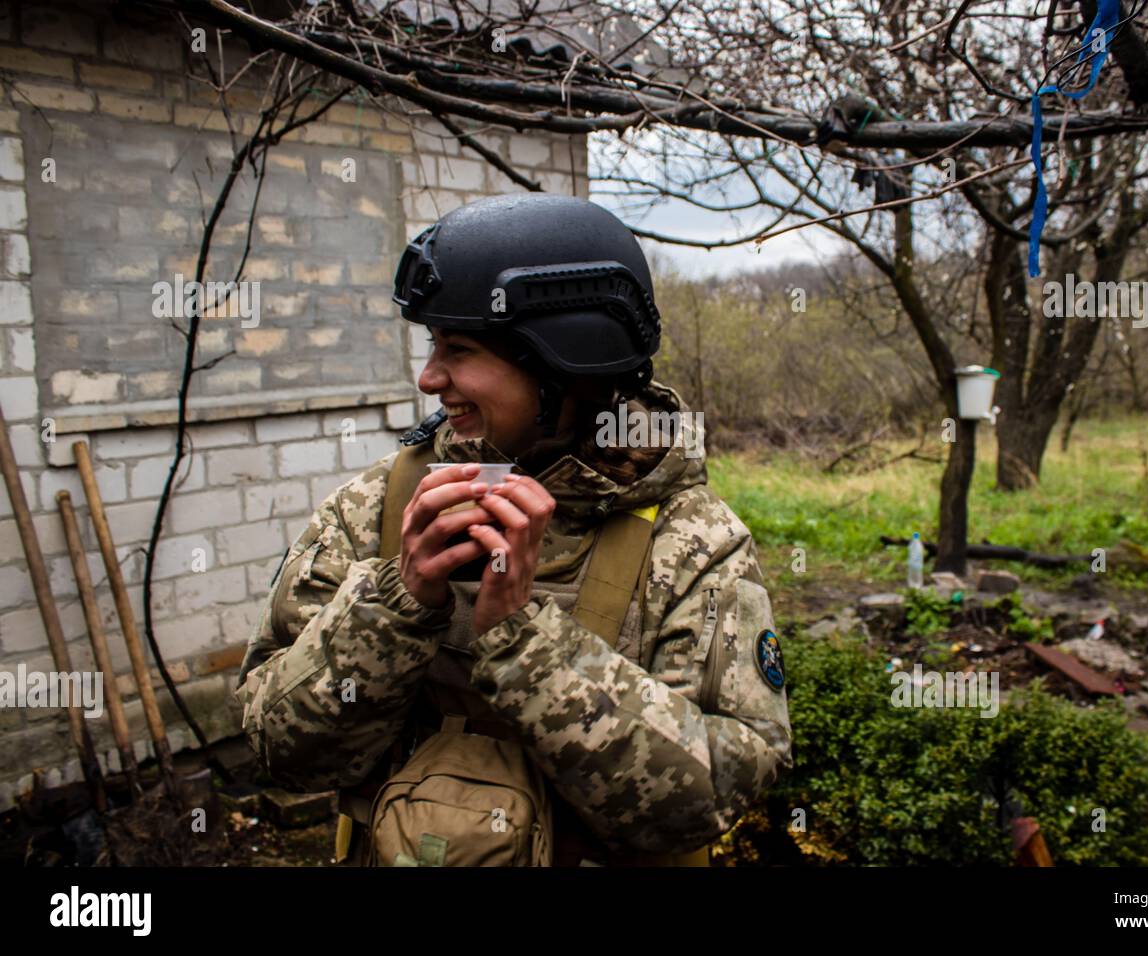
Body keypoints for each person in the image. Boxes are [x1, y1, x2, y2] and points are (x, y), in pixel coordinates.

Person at [234, 193, 792, 866]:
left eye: (459, 349)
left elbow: (712, 798)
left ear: (563, 364)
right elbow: (277, 747)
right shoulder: (383, 504)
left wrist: (525, 646)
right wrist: (398, 603)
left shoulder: (691, 541)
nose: (430, 377)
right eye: (432, 345)